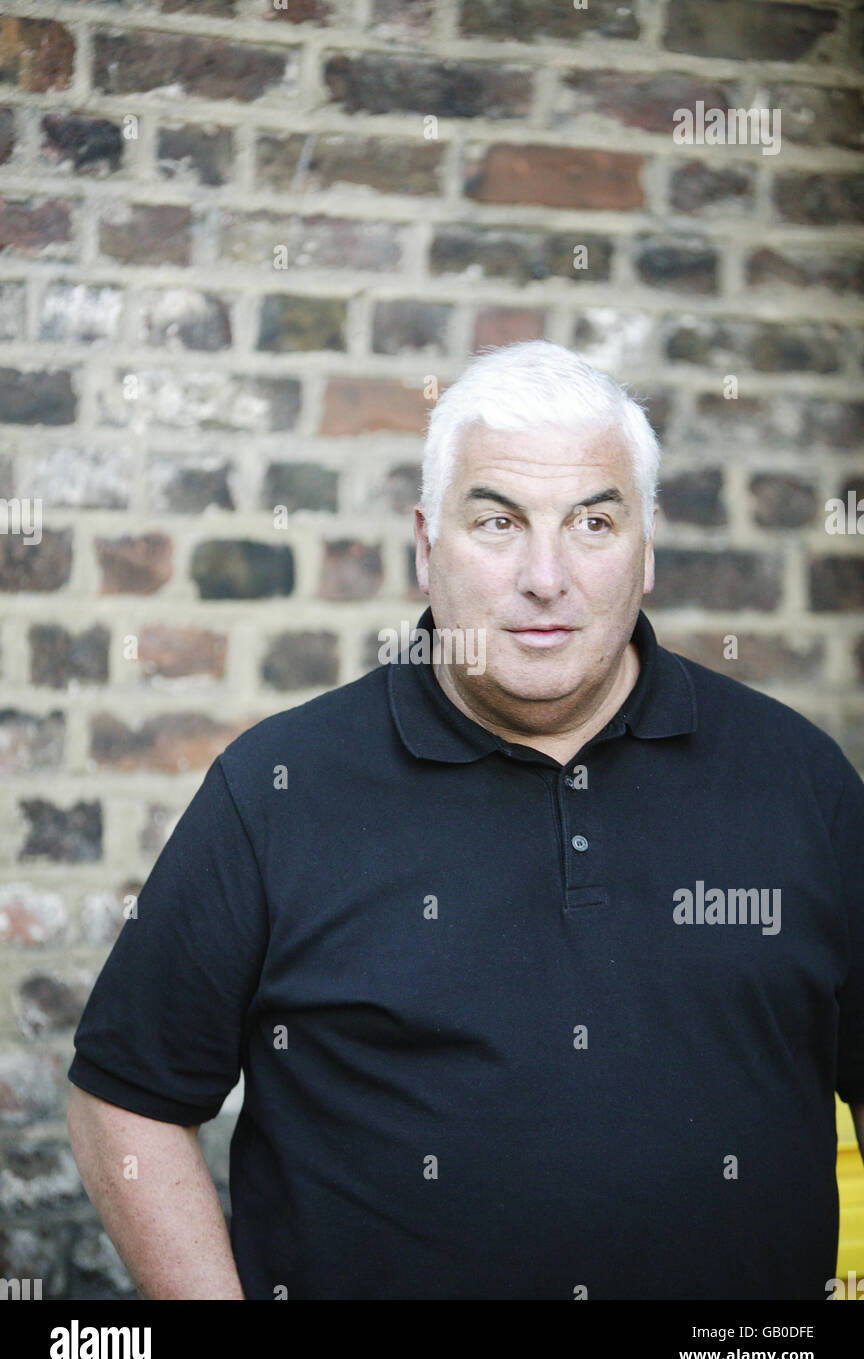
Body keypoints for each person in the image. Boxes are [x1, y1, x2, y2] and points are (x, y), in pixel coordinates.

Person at [67, 339, 864, 1301]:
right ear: (425, 543)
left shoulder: (801, 783)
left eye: (593, 523)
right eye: (497, 522)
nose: (544, 575)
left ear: (647, 546)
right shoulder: (278, 791)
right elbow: (125, 1102)